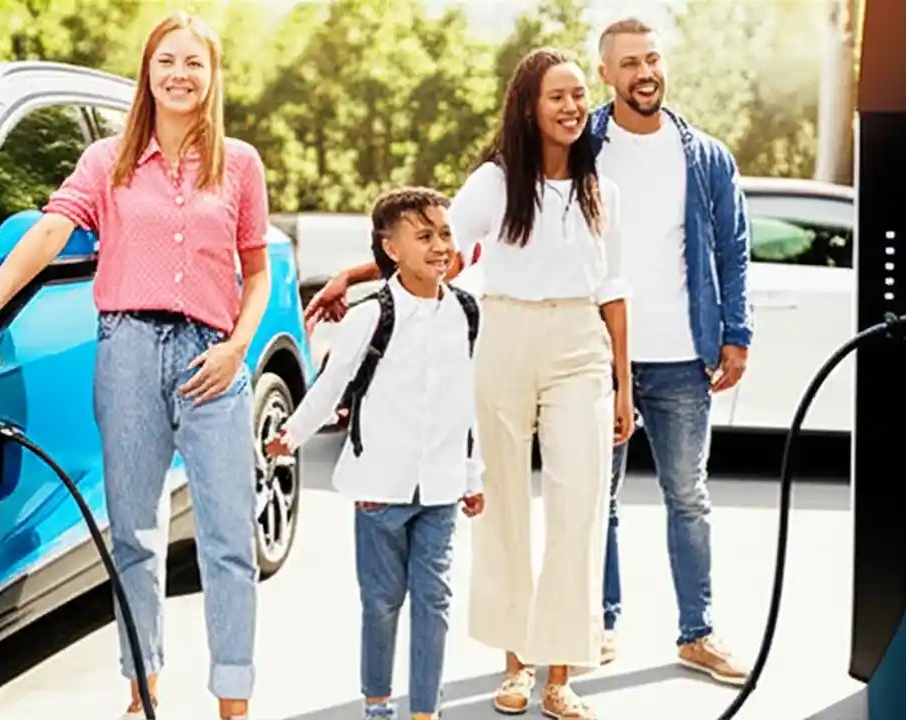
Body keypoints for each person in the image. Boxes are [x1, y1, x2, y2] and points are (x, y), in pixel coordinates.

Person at [0, 12, 270, 720]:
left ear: (213, 76)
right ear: (148, 71)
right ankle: (142, 688)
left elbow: (258, 270)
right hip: (127, 353)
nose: (179, 74)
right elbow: (49, 232)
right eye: (166, 61)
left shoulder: (240, 163)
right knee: (136, 536)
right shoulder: (106, 161)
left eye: (194, 63)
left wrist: (237, 347)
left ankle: (234, 704)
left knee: (229, 540)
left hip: (212, 359)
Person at [305, 49, 633, 720]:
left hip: (580, 343)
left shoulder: (604, 188)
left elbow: (614, 288)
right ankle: (515, 664)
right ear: (529, 108)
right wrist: (354, 276)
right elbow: (436, 252)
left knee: (579, 510)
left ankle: (560, 675)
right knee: (503, 502)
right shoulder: (494, 182)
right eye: (557, 97)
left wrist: (623, 385)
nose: (572, 107)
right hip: (505, 334)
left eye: (578, 95)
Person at [267, 186, 486, 720]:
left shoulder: (465, 311)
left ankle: (425, 710)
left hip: (440, 487)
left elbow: (468, 401)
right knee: (382, 601)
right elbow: (332, 385)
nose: (440, 246)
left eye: (445, 234)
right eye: (424, 236)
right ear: (391, 248)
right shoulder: (372, 315)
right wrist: (290, 435)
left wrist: (473, 475)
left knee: (435, 598)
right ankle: (378, 703)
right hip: (379, 487)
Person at [590, 18, 752, 685]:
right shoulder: (581, 148)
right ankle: (598, 623)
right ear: (605, 73)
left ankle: (698, 633)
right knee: (595, 498)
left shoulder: (705, 156)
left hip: (683, 355)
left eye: (652, 59)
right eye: (630, 63)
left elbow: (733, 249)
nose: (645, 73)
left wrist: (737, 334)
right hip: (598, 356)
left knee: (688, 496)